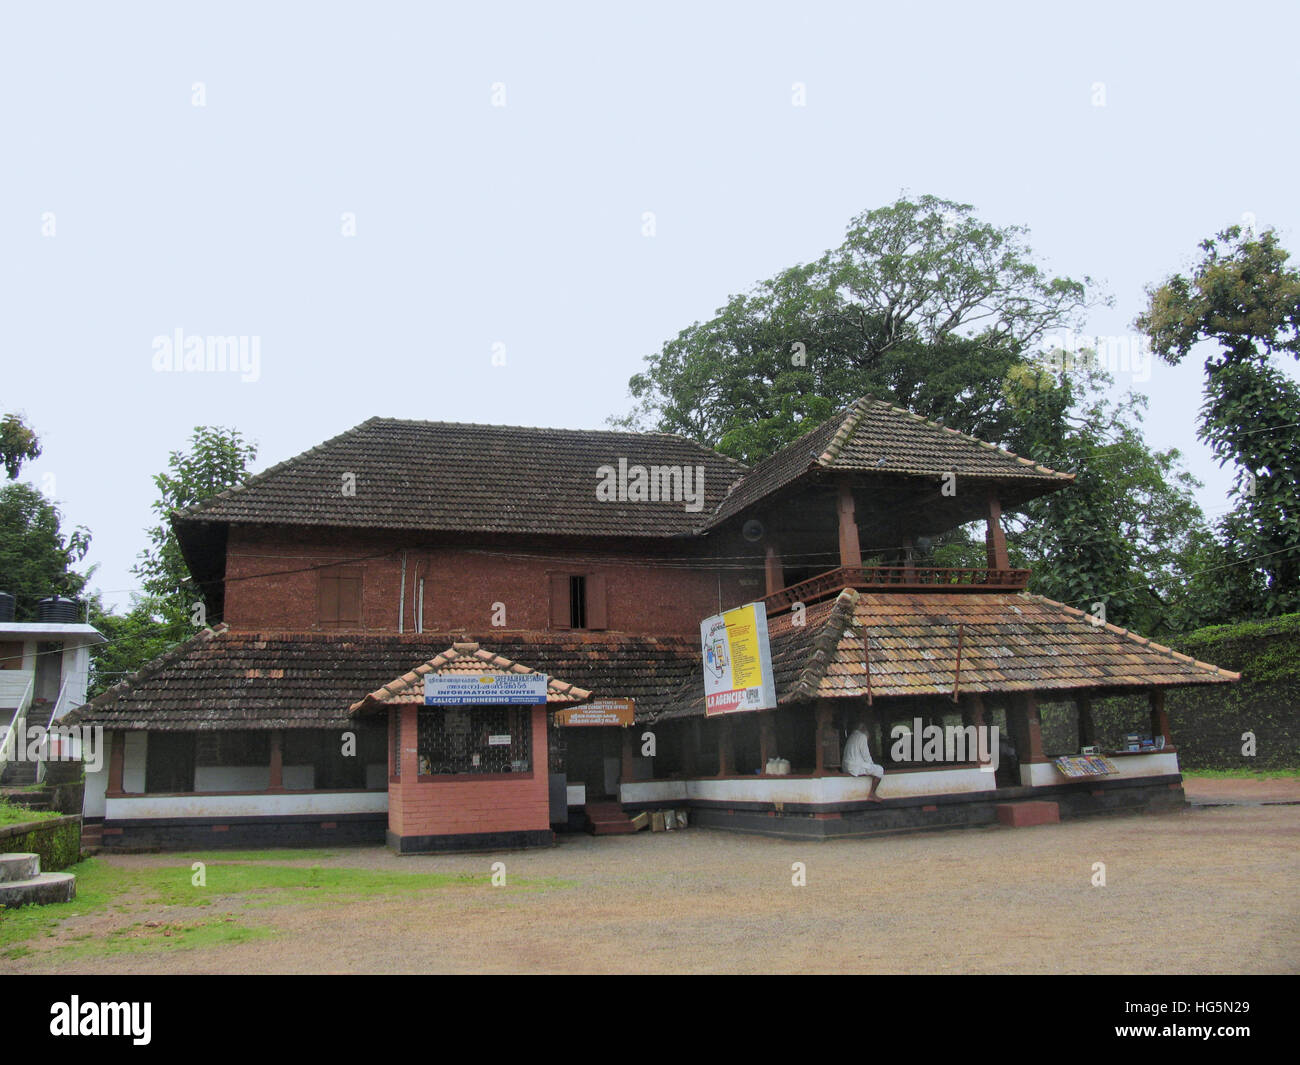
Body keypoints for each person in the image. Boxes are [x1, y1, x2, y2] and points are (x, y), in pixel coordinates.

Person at [842, 717, 885, 802]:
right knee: (879, 770)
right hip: (854, 767)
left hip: (846, 766)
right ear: (863, 729)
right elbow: (866, 755)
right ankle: (872, 794)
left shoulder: (852, 736)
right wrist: (872, 765)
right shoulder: (862, 736)